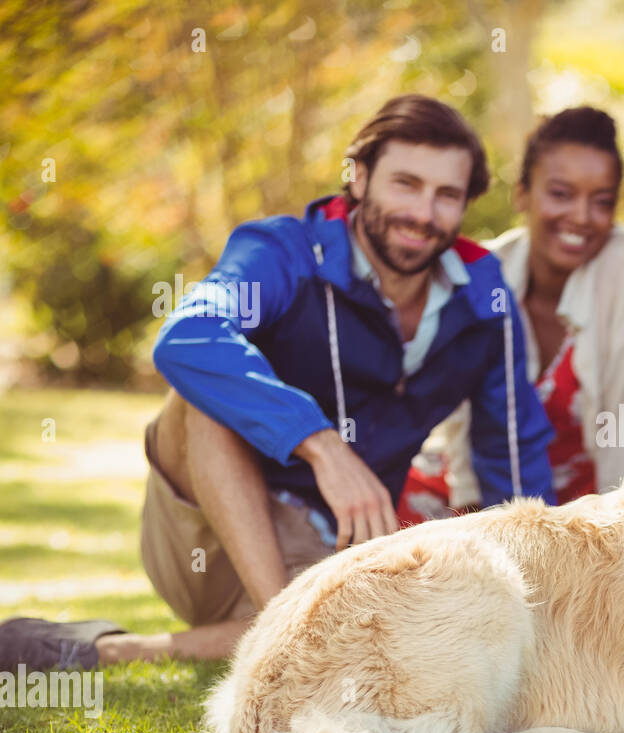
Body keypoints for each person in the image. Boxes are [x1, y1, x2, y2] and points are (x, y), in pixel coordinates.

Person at [0, 94, 554, 672]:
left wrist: (544, 587)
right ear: (359, 178)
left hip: (333, 548)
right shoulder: (281, 250)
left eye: (447, 195)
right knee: (200, 393)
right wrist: (319, 443)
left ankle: (115, 650)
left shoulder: (485, 301)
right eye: (406, 184)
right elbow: (187, 336)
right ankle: (289, 639)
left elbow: (511, 457)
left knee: (402, 636)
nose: (423, 212)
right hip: (212, 533)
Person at [397, 106, 624, 516]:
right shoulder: (486, 270)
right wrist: (477, 522)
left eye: (601, 201)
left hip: (590, 506)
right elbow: (461, 426)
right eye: (561, 194)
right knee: (378, 530)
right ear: (522, 192)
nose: (581, 217)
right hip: (482, 488)